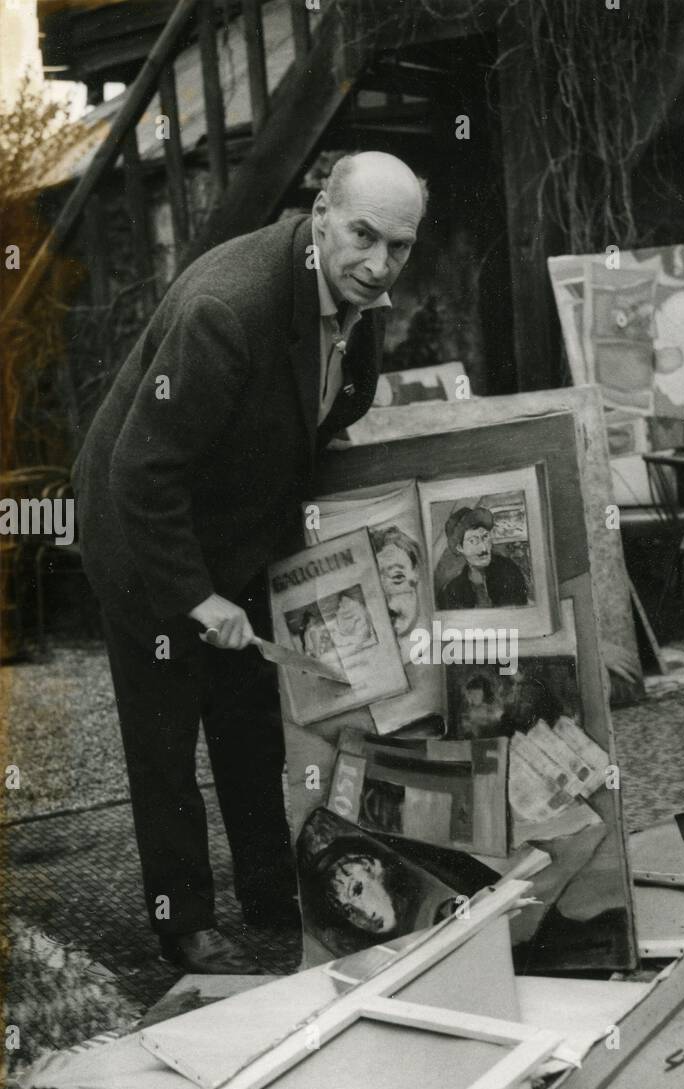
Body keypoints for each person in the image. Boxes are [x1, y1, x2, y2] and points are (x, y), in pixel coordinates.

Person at [72, 151, 427, 972]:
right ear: (322, 214)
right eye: (364, 236)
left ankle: (269, 891)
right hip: (141, 531)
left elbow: (321, 414)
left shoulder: (351, 289)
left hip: (230, 521)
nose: (380, 265)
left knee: (250, 720)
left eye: (400, 246)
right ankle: (184, 921)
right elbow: (141, 471)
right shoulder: (227, 309)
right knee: (165, 740)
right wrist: (198, 599)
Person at [436, 506, 528, 609]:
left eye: (485, 537)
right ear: (460, 547)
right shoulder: (452, 590)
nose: (483, 548)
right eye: (473, 541)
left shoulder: (509, 571)